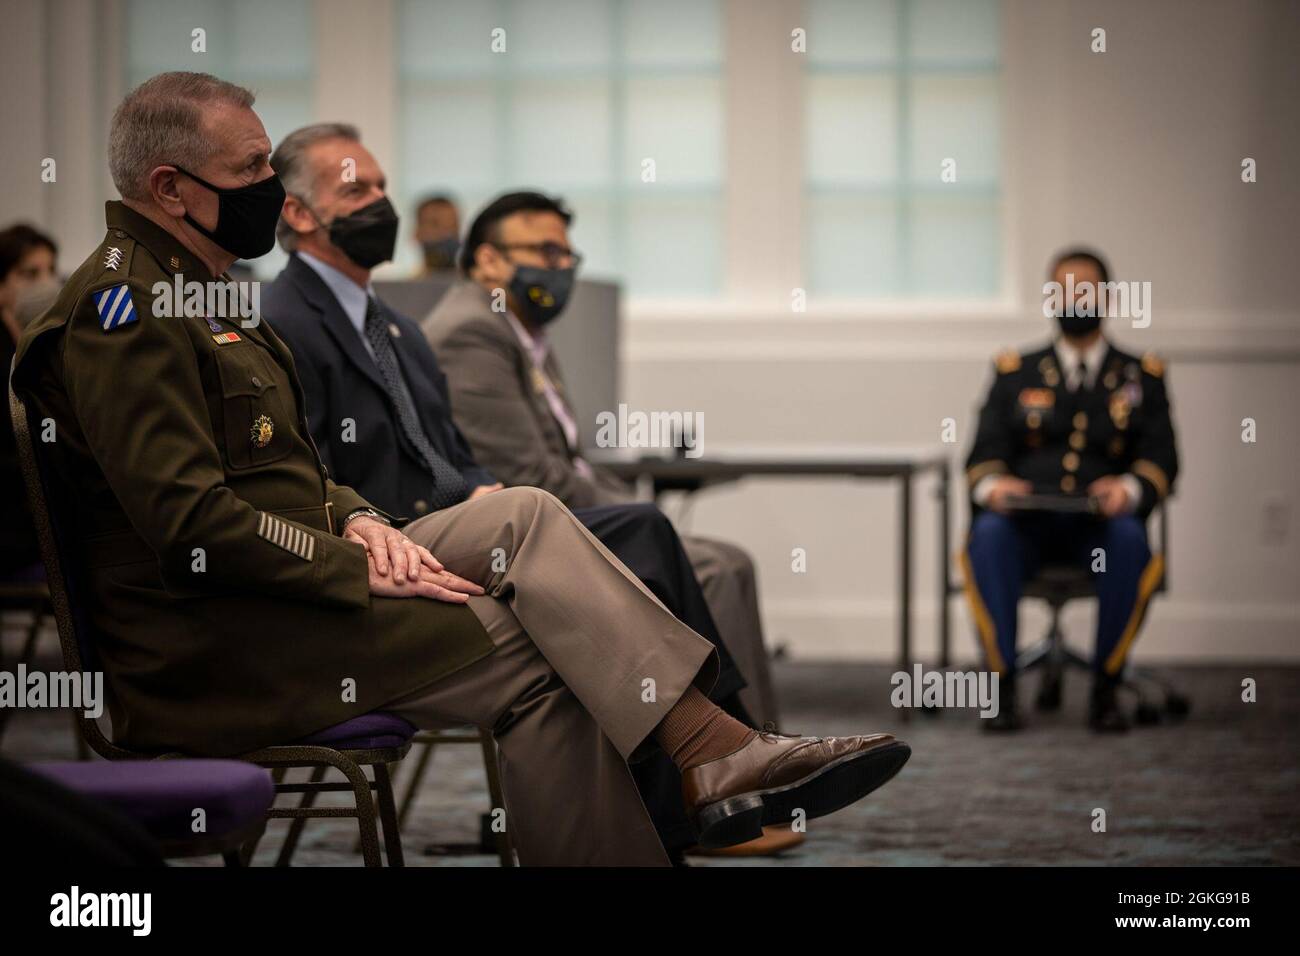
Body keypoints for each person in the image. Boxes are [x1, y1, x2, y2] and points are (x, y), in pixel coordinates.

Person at [11, 71, 909, 864]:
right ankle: (712, 753)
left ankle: (714, 746)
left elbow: (290, 471)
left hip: (287, 595)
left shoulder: (206, 295)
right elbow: (193, 529)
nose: (270, 191)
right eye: (251, 172)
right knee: (547, 655)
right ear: (171, 188)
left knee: (520, 512)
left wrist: (360, 518)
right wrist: (355, 557)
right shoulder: (123, 315)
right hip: (219, 647)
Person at [262, 122, 797, 858]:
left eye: (384, 186)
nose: (381, 203)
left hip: (467, 527)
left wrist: (481, 490)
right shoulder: (279, 321)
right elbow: (306, 475)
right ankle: (721, 767)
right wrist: (439, 513)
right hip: (394, 547)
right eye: (357, 190)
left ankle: (712, 781)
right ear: (297, 213)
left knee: (634, 538)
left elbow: (451, 454)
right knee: (638, 535)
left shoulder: (399, 330)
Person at [422, 192, 780, 727]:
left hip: (563, 517)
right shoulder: (472, 332)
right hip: (525, 539)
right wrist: (639, 517)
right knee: (715, 569)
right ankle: (741, 759)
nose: (561, 267)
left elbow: (573, 461)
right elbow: (533, 478)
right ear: (488, 258)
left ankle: (758, 752)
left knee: (729, 561)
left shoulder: (520, 331)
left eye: (567, 256)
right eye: (546, 252)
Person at [962, 249, 1179, 732]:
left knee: (1129, 539)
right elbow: (982, 455)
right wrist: (996, 487)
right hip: (1027, 529)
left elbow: (1163, 458)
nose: (1073, 299)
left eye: (1084, 289)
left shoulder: (1142, 375)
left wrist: (1128, 488)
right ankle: (1002, 688)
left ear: (1107, 297)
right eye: (1062, 289)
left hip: (1098, 532)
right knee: (989, 534)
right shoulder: (1014, 371)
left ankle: (1106, 686)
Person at [0, 223, 58, 577]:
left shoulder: (47, 350)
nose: (46, 284)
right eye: (29, 273)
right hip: (15, 538)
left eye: (51, 271)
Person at [413, 194, 460, 275]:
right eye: (435, 224)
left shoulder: (476, 285)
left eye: (453, 226)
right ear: (417, 233)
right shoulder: (404, 286)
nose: (447, 234)